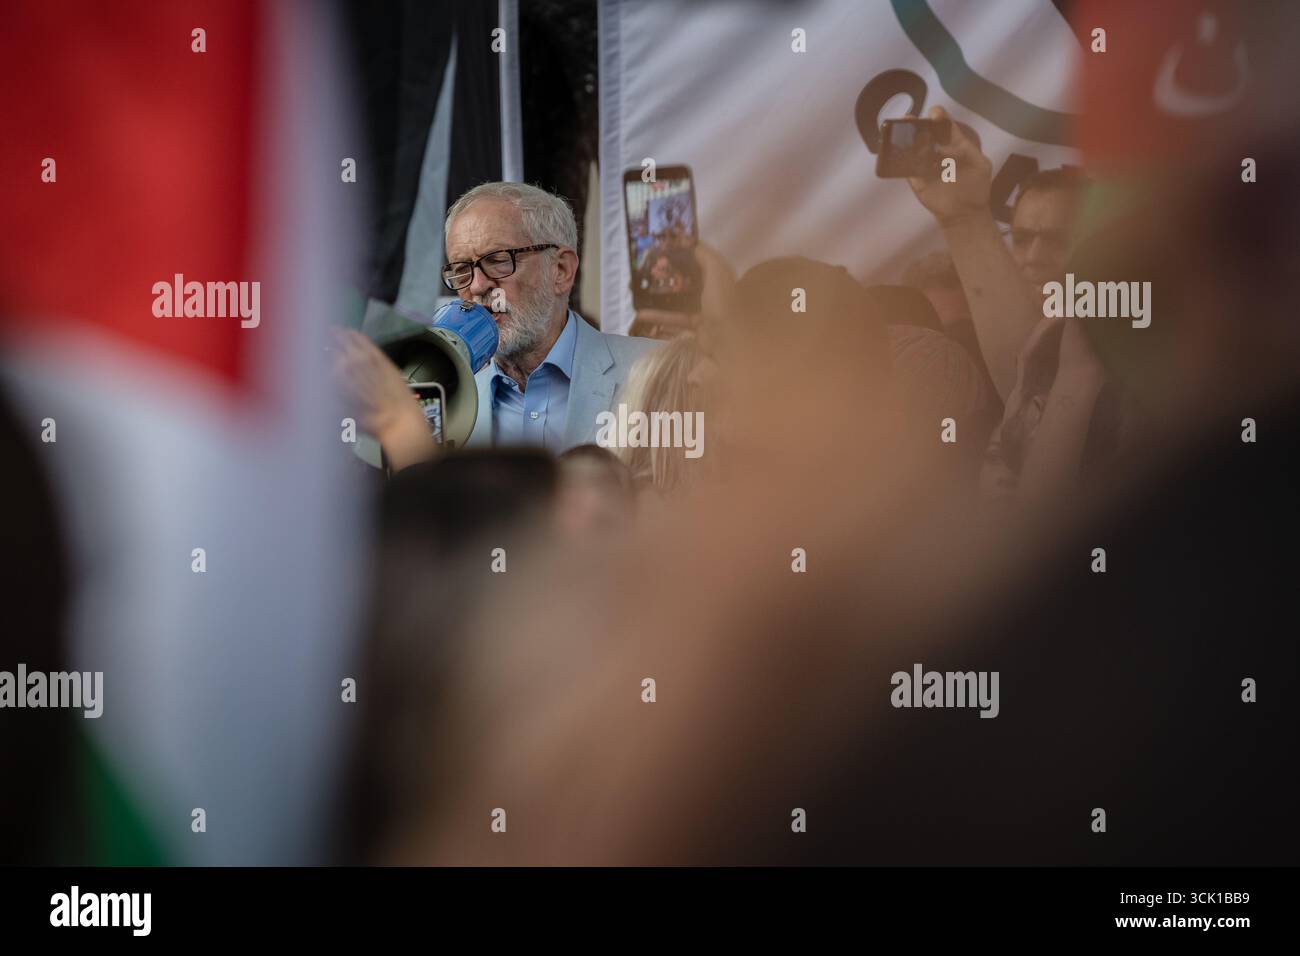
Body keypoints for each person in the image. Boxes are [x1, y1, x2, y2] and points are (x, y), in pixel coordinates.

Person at [335, 182, 659, 468]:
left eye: (498, 260)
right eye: (461, 269)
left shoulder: (658, 374)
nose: (476, 286)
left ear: (561, 270)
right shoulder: (430, 389)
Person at [904, 106, 1089, 404]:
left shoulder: (1131, 350)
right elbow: (1028, 391)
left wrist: (966, 220)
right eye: (1021, 239)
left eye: (1058, 240)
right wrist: (963, 219)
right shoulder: (972, 368)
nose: (1034, 256)